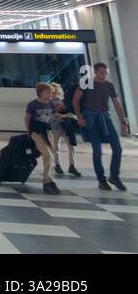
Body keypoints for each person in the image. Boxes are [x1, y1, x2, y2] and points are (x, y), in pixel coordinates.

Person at [73, 62, 129, 191]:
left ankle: (114, 175)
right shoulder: (86, 83)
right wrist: (80, 117)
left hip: (105, 117)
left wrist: (123, 122)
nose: (104, 76)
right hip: (91, 119)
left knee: (117, 148)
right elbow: (75, 100)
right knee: (97, 150)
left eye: (106, 73)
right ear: (95, 72)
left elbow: (116, 103)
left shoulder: (109, 85)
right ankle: (101, 179)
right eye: (101, 73)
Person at [26, 82, 62, 195]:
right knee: (47, 154)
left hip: (48, 131)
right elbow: (27, 118)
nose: (50, 94)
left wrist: (60, 116)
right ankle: (47, 181)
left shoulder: (51, 104)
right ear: (40, 93)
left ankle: (49, 180)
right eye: (48, 92)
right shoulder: (33, 104)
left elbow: (53, 116)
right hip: (37, 131)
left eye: (51, 92)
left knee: (51, 155)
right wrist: (29, 132)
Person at [49, 82, 82, 179]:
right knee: (57, 146)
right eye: (53, 92)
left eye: (56, 92)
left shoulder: (64, 101)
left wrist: (64, 115)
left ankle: (71, 165)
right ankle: (58, 164)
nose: (55, 94)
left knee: (70, 146)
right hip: (57, 126)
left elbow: (72, 113)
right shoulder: (50, 103)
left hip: (66, 126)